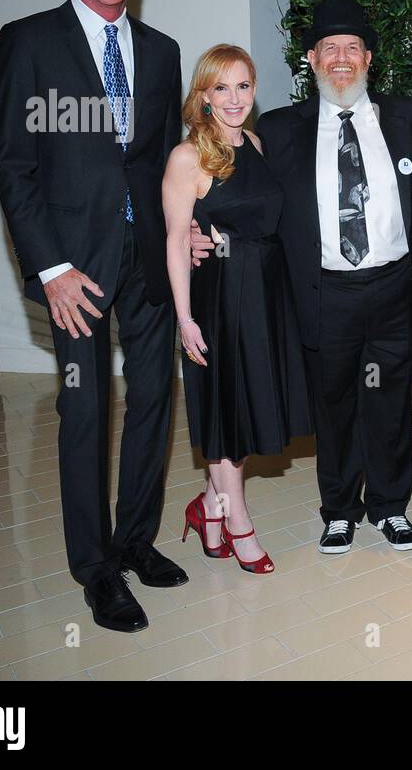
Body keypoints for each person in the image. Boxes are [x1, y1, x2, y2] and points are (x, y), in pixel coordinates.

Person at [0, 0, 186, 632]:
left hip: (148, 262)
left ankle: (135, 540)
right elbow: (15, 166)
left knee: (156, 398)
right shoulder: (28, 43)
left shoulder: (161, 52)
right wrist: (50, 266)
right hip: (74, 267)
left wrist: (182, 233)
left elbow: (166, 161)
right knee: (85, 411)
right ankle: (96, 569)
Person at [192, 0, 412, 555]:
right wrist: (188, 223)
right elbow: (216, 170)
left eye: (353, 48)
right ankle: (340, 510)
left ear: (369, 58)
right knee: (334, 403)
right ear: (312, 59)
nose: (342, 59)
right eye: (330, 49)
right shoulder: (278, 130)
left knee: (390, 400)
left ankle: (391, 507)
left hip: (394, 284)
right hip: (323, 290)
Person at [162, 44, 312, 575]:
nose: (234, 98)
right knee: (227, 411)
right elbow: (177, 240)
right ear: (202, 96)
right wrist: (184, 317)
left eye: (243, 86)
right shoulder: (188, 157)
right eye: (220, 88)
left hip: (266, 293)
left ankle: (208, 507)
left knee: (242, 409)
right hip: (221, 296)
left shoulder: (255, 142)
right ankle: (238, 522)